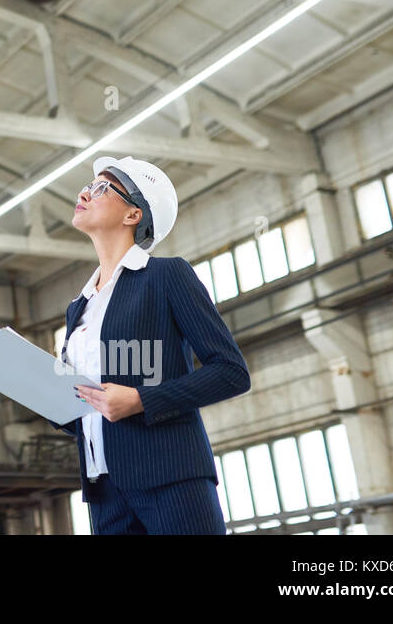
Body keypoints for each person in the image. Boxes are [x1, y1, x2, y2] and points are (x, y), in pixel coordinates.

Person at [53, 155, 249, 534]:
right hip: (104, 490)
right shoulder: (78, 307)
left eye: (100, 188)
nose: (84, 192)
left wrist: (140, 400)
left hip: (170, 477)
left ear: (133, 215)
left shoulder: (166, 276)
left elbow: (230, 372)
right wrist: (41, 393)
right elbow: (85, 408)